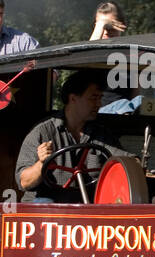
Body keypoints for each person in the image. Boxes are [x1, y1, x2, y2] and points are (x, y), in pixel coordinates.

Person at [16, 70, 132, 202]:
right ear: (73, 99)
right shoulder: (43, 131)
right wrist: (42, 163)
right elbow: (24, 182)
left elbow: (126, 160)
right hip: (47, 206)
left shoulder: (101, 134)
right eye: (94, 98)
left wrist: (137, 164)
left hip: (83, 206)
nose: (99, 104)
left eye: (100, 98)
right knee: (44, 202)